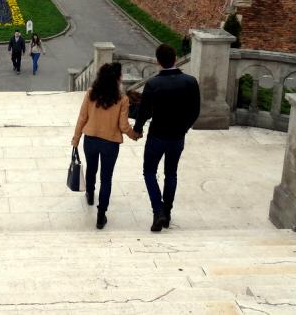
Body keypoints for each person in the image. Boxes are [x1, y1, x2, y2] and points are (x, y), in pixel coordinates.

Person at [131, 43, 200, 232]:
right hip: (177, 137)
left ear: (158, 61)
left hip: (157, 136)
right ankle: (167, 213)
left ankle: (158, 211)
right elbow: (195, 111)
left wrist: (136, 130)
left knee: (149, 172)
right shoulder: (190, 82)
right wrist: (184, 128)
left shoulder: (153, 84)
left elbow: (144, 112)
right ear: (175, 58)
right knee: (171, 173)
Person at [71, 62, 137, 229]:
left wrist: (76, 139)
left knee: (91, 168)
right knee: (106, 179)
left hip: (91, 139)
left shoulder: (91, 94)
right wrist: (134, 135)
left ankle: (90, 194)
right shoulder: (122, 99)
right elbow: (123, 126)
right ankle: (101, 215)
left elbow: (82, 118)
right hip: (110, 143)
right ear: (117, 78)